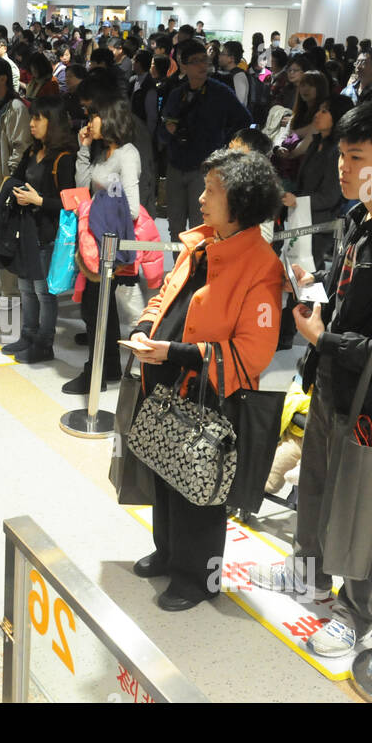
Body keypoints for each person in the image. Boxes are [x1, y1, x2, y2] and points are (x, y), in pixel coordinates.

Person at [249, 101, 372, 658]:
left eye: (356, 156)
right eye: (341, 154)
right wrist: (317, 284)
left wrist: (321, 339)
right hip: (336, 384)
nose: (342, 166)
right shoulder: (364, 216)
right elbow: (350, 296)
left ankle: (357, 615)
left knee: (368, 511)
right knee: (315, 485)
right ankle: (308, 576)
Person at [128, 149, 284, 610]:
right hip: (166, 378)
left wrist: (176, 352)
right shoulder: (202, 242)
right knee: (164, 469)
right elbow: (166, 295)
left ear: (240, 200)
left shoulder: (261, 264)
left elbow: (253, 352)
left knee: (200, 485)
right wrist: (144, 327)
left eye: (211, 190)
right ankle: (168, 551)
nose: (201, 198)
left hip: (209, 391)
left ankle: (197, 579)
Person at [66, 95, 140, 395]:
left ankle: (98, 369)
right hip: (94, 242)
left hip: (109, 244)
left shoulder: (127, 154)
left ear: (109, 118)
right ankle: (106, 366)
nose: (88, 122)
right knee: (97, 306)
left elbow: (132, 207)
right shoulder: (104, 152)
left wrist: (99, 210)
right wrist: (83, 150)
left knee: (98, 306)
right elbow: (83, 185)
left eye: (93, 116)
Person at [0, 96, 78, 364]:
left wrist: (39, 201)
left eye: (37, 119)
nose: (31, 124)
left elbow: (70, 204)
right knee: (25, 287)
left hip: (48, 232)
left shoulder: (64, 159)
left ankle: (45, 343)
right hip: (27, 229)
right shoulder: (33, 152)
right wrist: (10, 185)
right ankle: (28, 335)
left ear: (52, 123)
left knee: (44, 292)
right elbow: (18, 177)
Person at [161, 39, 253, 236]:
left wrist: (223, 145)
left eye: (204, 59)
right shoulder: (177, 94)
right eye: (195, 61)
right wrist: (170, 131)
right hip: (176, 164)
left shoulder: (220, 92)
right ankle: (182, 266)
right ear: (183, 65)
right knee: (175, 226)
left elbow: (244, 120)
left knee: (201, 225)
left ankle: (200, 266)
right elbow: (163, 128)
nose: (202, 65)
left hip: (204, 168)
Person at [0, 56, 34, 304]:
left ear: (3, 77)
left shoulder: (15, 108)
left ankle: (11, 290)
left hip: (4, 181)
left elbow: (20, 146)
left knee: (5, 236)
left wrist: (7, 180)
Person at [282, 95, 353, 267]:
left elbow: (330, 196)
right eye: (319, 109)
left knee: (306, 275)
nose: (317, 114)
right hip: (300, 217)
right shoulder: (316, 143)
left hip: (320, 225)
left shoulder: (338, 151)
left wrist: (296, 201)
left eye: (325, 111)